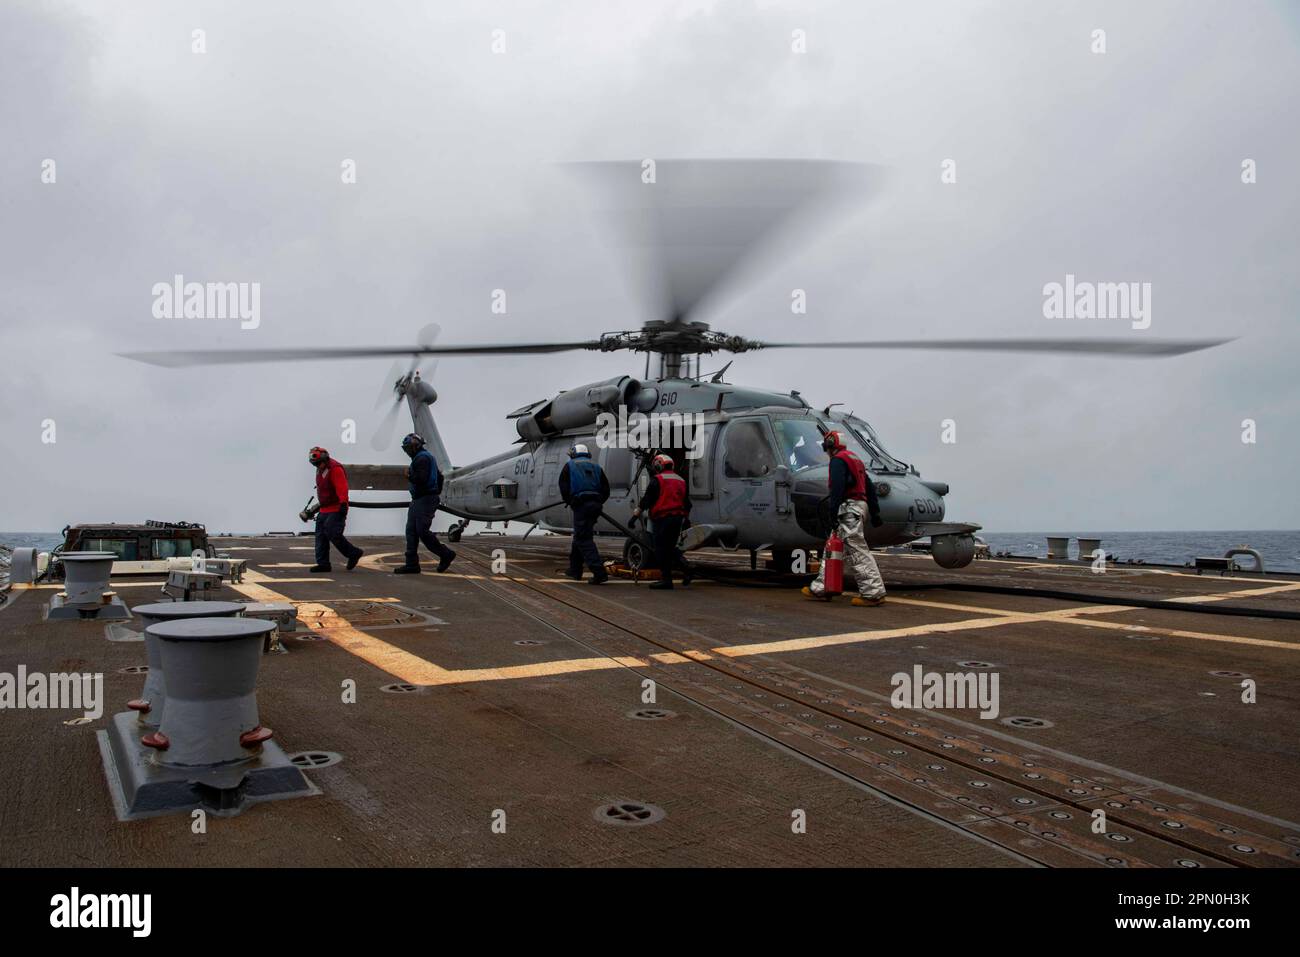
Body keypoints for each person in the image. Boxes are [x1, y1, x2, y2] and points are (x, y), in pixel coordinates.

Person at [802, 430, 886, 606]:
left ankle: (873, 593)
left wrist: (832, 513)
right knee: (832, 547)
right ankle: (822, 587)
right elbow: (869, 487)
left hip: (849, 508)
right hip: (859, 507)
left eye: (826, 448)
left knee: (857, 549)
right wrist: (876, 513)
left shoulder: (838, 460)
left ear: (830, 446)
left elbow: (837, 489)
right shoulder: (855, 459)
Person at [393, 432, 455, 574]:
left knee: (421, 531)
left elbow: (420, 479)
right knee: (412, 531)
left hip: (424, 499)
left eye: (408, 448)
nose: (407, 451)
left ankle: (446, 554)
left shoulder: (421, 459)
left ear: (415, 446)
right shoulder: (426, 457)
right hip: (421, 499)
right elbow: (440, 477)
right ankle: (412, 564)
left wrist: (409, 476)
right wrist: (435, 492)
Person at [634, 453, 694, 591]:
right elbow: (687, 504)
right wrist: (685, 518)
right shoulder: (681, 480)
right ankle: (686, 568)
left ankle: (667, 580)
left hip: (662, 519)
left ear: (658, 465)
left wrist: (637, 512)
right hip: (677, 518)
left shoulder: (657, 480)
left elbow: (648, 499)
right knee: (671, 547)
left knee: (660, 549)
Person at [558, 443, 610, 584]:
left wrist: (570, 501)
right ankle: (575, 569)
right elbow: (606, 489)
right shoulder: (597, 467)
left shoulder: (569, 466)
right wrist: (598, 502)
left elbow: (563, 485)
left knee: (583, 540)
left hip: (581, 506)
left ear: (574, 454)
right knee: (580, 535)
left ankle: (599, 573)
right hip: (595, 506)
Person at [308, 446, 364, 573]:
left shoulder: (335, 468)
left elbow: (342, 487)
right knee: (321, 536)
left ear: (325, 459)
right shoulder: (319, 469)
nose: (318, 466)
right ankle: (323, 564)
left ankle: (353, 553)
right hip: (324, 509)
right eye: (316, 464)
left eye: (319, 463)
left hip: (336, 507)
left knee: (333, 533)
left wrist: (343, 504)